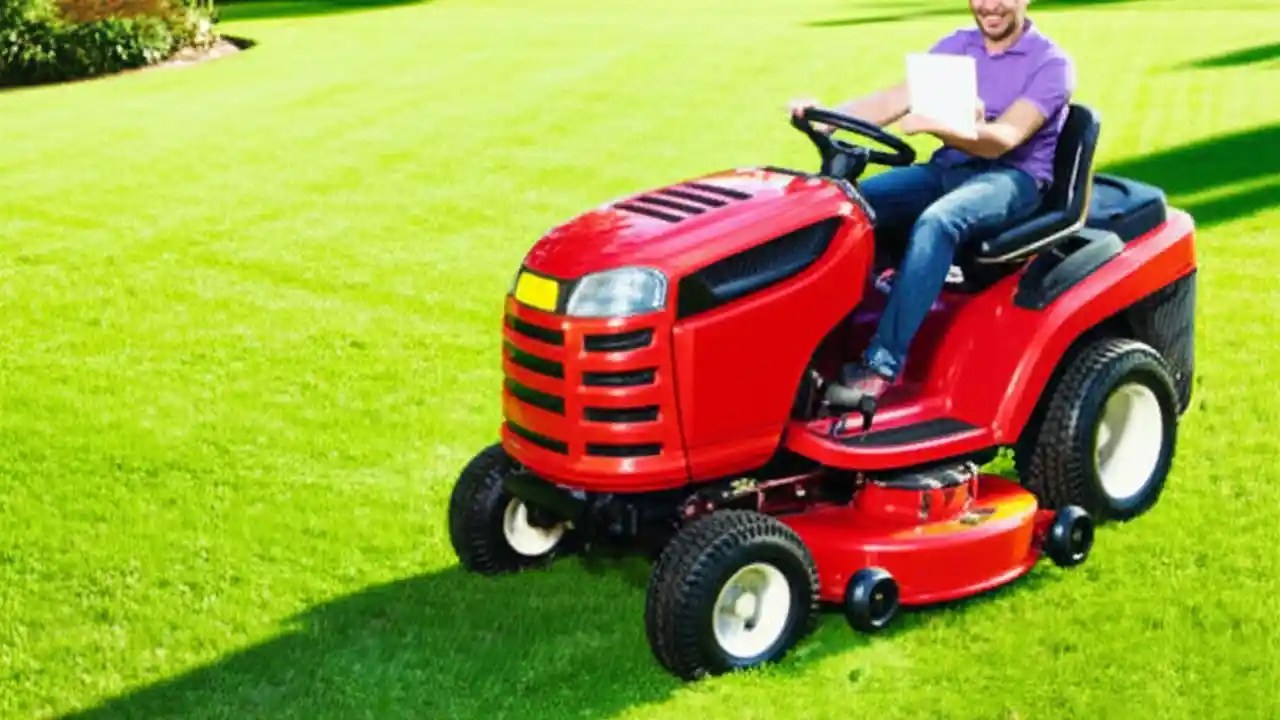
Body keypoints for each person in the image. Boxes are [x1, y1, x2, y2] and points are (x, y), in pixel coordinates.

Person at [789, 0, 1075, 408]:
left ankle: (882, 365)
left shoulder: (1050, 63)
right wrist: (825, 116)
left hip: (1013, 179)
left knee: (938, 222)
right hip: (947, 169)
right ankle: (815, 342)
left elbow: (1003, 140)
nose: (990, 6)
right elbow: (891, 101)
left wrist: (944, 126)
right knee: (846, 205)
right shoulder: (957, 47)